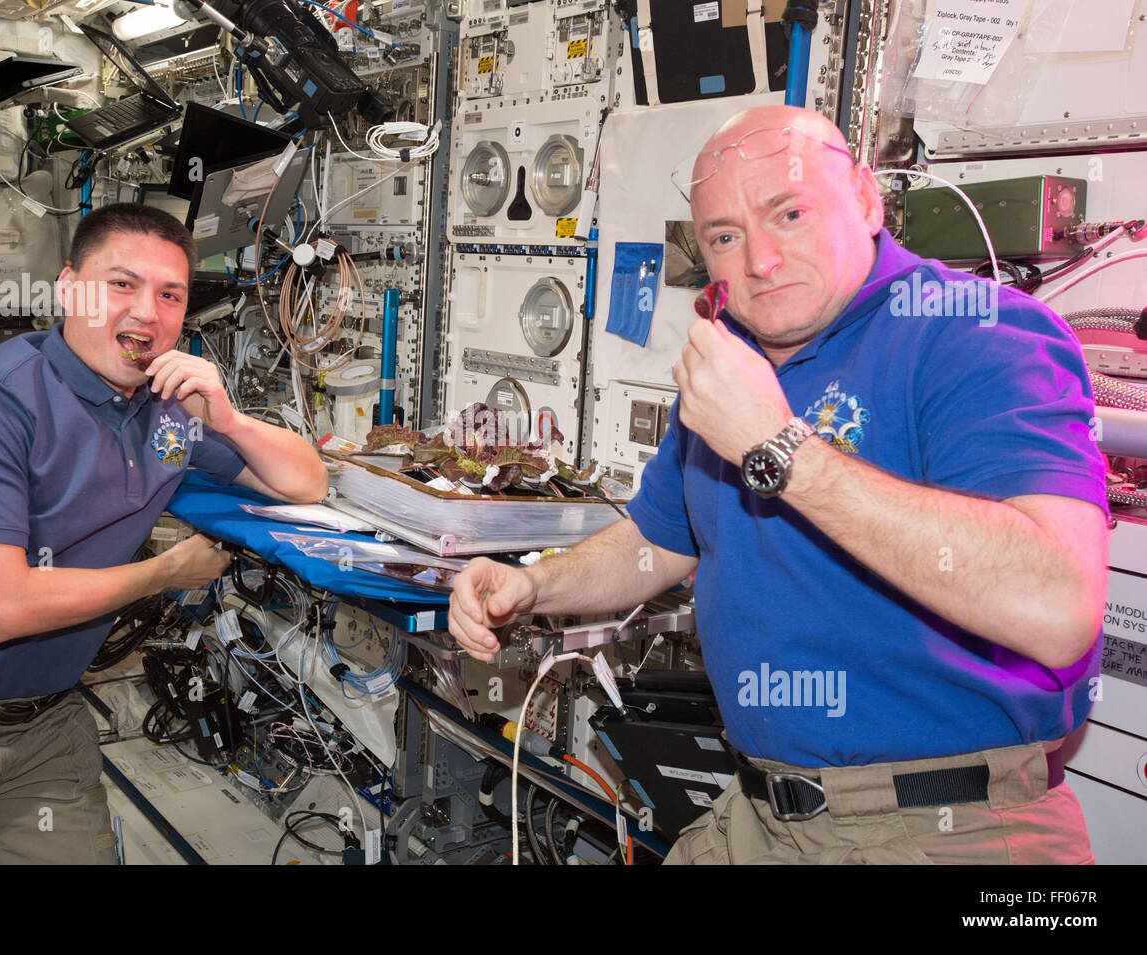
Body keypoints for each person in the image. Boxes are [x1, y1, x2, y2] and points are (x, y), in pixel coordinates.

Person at [448, 105, 1108, 864]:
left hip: (944, 826)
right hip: (762, 812)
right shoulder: (736, 361)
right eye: (725, 236)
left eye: (789, 213)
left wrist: (776, 444)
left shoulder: (974, 335)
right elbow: (661, 541)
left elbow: (1058, 606)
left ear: (865, 198)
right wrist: (531, 588)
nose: (760, 260)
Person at [0, 203, 327, 864]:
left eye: (169, 294)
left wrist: (230, 420)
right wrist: (165, 573)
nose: (146, 312)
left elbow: (307, 482)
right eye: (121, 285)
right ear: (69, 287)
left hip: (43, 724)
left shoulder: (168, 413)